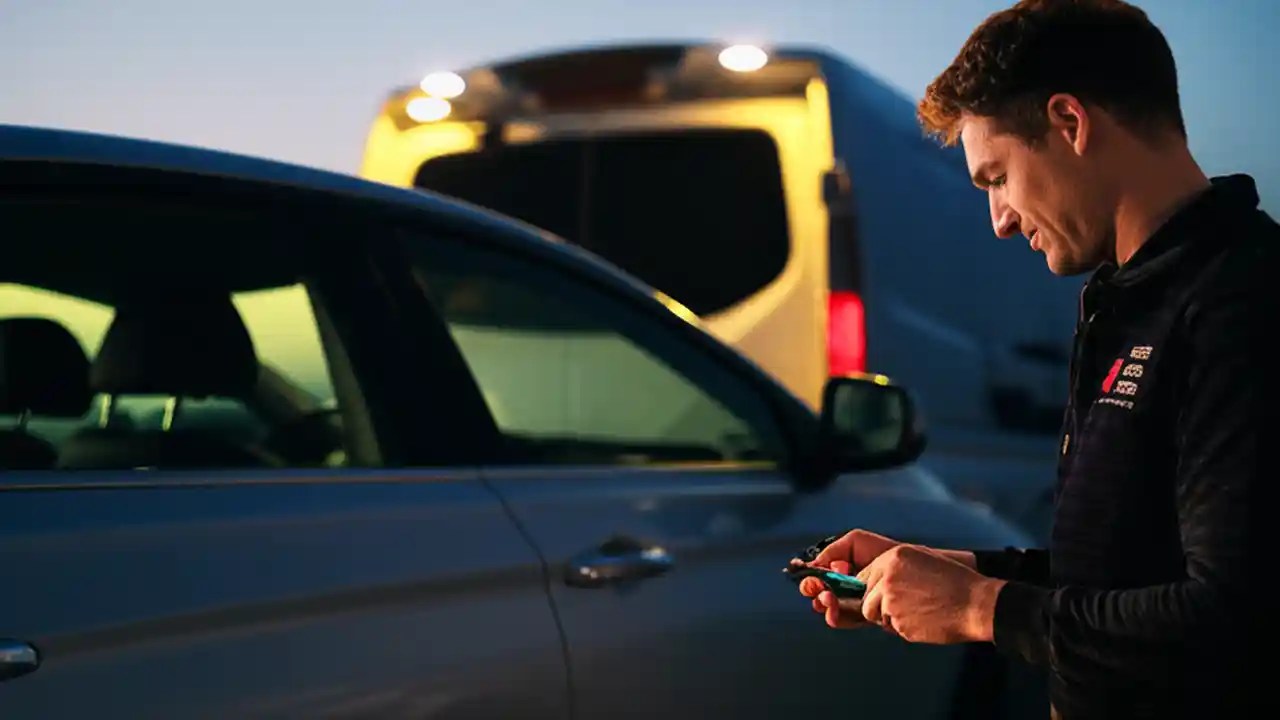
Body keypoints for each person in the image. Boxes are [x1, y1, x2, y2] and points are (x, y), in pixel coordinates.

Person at [796, 1, 1276, 717]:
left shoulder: (1243, 300)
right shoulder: (1125, 297)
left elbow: (1235, 619)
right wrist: (961, 574)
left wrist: (983, 608)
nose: (999, 221)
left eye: (997, 178)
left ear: (1069, 124)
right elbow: (1125, 576)